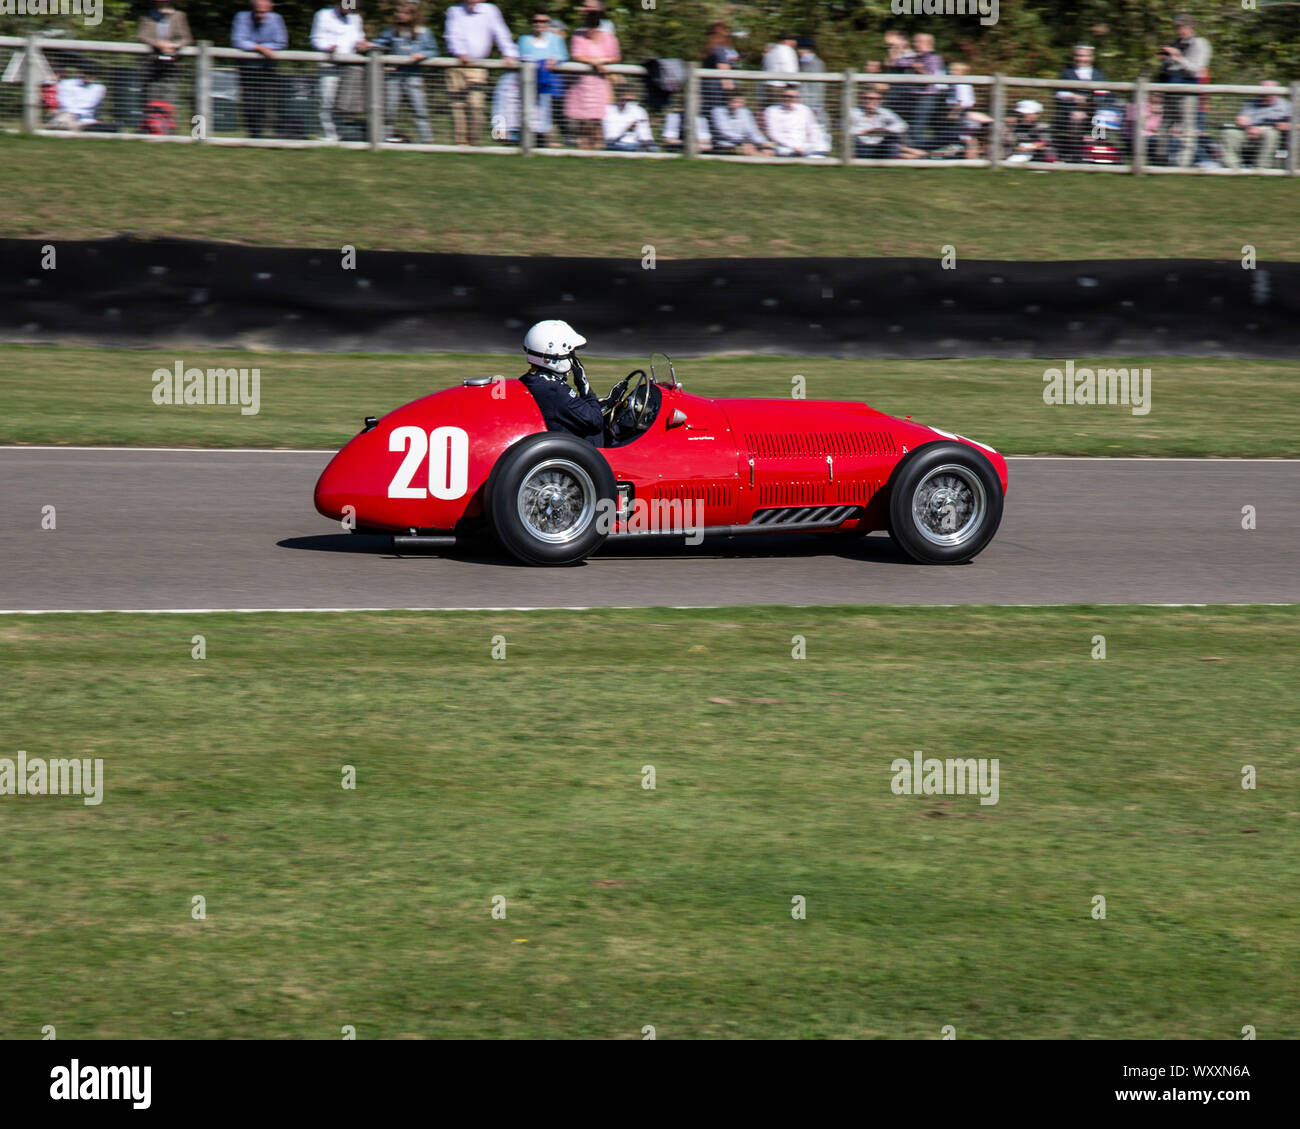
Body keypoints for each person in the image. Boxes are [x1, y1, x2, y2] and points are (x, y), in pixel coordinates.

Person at [444, 0, 519, 145]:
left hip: (478, 67)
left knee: (476, 106)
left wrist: (509, 53)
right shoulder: (454, 11)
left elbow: (501, 33)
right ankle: (461, 145)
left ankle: (473, 144)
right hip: (457, 66)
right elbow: (452, 35)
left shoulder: (490, 10)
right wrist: (460, 52)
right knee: (457, 108)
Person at [519, 320, 604, 447]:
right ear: (554, 356)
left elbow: (573, 409)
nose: (573, 360)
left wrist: (607, 402)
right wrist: (584, 386)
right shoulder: (554, 389)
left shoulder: (528, 380)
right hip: (577, 455)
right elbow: (595, 421)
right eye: (570, 354)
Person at [311, 3, 373, 142]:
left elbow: (358, 39)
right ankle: (327, 136)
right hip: (329, 63)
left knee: (342, 103)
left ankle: (337, 135)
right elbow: (315, 39)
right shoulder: (323, 15)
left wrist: (363, 45)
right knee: (327, 100)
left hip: (349, 66)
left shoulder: (356, 18)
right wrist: (327, 48)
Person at [374, 1, 435, 143]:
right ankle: (384, 140)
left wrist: (423, 54)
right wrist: (367, 45)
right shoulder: (391, 31)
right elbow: (379, 43)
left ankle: (426, 141)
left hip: (413, 76)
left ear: (414, 15)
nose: (400, 15)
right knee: (389, 110)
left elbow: (433, 50)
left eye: (405, 13)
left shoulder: (424, 32)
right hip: (394, 76)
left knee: (419, 109)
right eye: (399, 12)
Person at [1157, 12, 1211, 168]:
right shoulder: (1175, 43)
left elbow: (1196, 70)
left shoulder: (1200, 44)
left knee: (1188, 128)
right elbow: (1168, 69)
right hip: (1171, 91)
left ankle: (1183, 164)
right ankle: (1159, 161)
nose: (1179, 31)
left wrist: (1179, 57)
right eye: (1177, 27)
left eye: (1182, 27)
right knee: (1164, 126)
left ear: (1190, 27)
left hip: (1187, 92)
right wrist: (1165, 57)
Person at [565, 0, 619, 150]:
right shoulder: (578, 35)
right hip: (583, 85)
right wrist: (594, 62)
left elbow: (614, 55)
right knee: (583, 121)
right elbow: (576, 54)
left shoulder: (608, 35)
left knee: (597, 120)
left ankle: (598, 150)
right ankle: (583, 149)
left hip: (600, 84)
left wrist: (603, 60)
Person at [231, 0, 288, 139]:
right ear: (252, 9)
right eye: (257, 12)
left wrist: (258, 47)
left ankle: (259, 135)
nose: (260, 15)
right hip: (248, 69)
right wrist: (260, 48)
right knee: (249, 103)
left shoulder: (276, 20)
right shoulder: (241, 17)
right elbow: (238, 40)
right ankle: (253, 134)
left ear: (270, 9)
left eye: (264, 12)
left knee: (263, 102)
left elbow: (281, 42)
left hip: (267, 69)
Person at [517, 10, 567, 144]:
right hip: (530, 84)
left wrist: (555, 60)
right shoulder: (524, 40)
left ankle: (546, 142)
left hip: (550, 86)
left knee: (548, 116)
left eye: (543, 21)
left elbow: (563, 56)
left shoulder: (556, 39)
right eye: (537, 21)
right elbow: (523, 57)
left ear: (548, 23)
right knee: (530, 115)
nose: (540, 24)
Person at [1220, 80, 1291, 170]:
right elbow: (1241, 120)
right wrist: (1244, 124)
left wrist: (1263, 129)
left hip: (1270, 134)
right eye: (1264, 91)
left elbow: (1290, 124)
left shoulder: (1286, 106)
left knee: (1271, 134)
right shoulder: (1250, 103)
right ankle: (1232, 169)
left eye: (1271, 91)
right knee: (1229, 133)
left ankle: (1261, 169)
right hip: (1249, 133)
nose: (1267, 94)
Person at [137, 0, 192, 115]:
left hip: (172, 63)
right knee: (151, 94)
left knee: (169, 94)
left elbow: (186, 38)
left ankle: (167, 125)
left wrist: (174, 45)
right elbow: (143, 36)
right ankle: (152, 124)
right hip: (152, 64)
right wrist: (158, 44)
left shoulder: (179, 16)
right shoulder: (147, 16)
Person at [1054, 45, 1105, 162]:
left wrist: (1091, 102)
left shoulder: (1098, 74)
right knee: (1076, 117)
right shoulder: (1066, 73)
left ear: (1091, 58)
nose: (1081, 59)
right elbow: (1058, 93)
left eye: (1085, 56)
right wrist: (1075, 97)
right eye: (1079, 55)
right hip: (1071, 110)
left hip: (1094, 110)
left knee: (1101, 119)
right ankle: (1076, 154)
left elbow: (1104, 93)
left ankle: (1098, 153)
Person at [761, 83, 827, 157]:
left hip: (803, 145)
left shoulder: (804, 109)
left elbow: (813, 129)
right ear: (781, 97)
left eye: (792, 97)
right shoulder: (772, 110)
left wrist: (814, 143)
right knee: (783, 151)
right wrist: (793, 146)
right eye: (785, 96)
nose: (788, 99)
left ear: (797, 98)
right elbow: (774, 134)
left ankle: (811, 158)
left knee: (822, 145)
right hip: (784, 146)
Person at [850, 85, 907, 158]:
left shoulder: (885, 112)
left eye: (876, 99)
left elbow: (902, 125)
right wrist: (865, 131)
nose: (871, 101)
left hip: (880, 145)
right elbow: (843, 127)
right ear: (862, 99)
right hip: (861, 145)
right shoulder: (853, 111)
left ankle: (896, 157)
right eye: (868, 98)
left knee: (892, 139)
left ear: (881, 101)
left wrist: (885, 130)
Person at [602, 75, 653, 150]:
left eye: (629, 100)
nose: (626, 103)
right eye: (624, 99)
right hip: (616, 145)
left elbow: (646, 135)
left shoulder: (639, 111)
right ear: (618, 97)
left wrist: (646, 142)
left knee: (652, 148)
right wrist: (627, 129)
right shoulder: (608, 110)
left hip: (636, 145)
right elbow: (610, 139)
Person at [49, 66, 106, 130]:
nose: (88, 76)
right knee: (64, 118)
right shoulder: (66, 84)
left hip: (86, 120)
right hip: (67, 116)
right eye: (85, 73)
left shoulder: (99, 88)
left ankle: (77, 126)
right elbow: (64, 103)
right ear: (80, 73)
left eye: (91, 74)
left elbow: (89, 104)